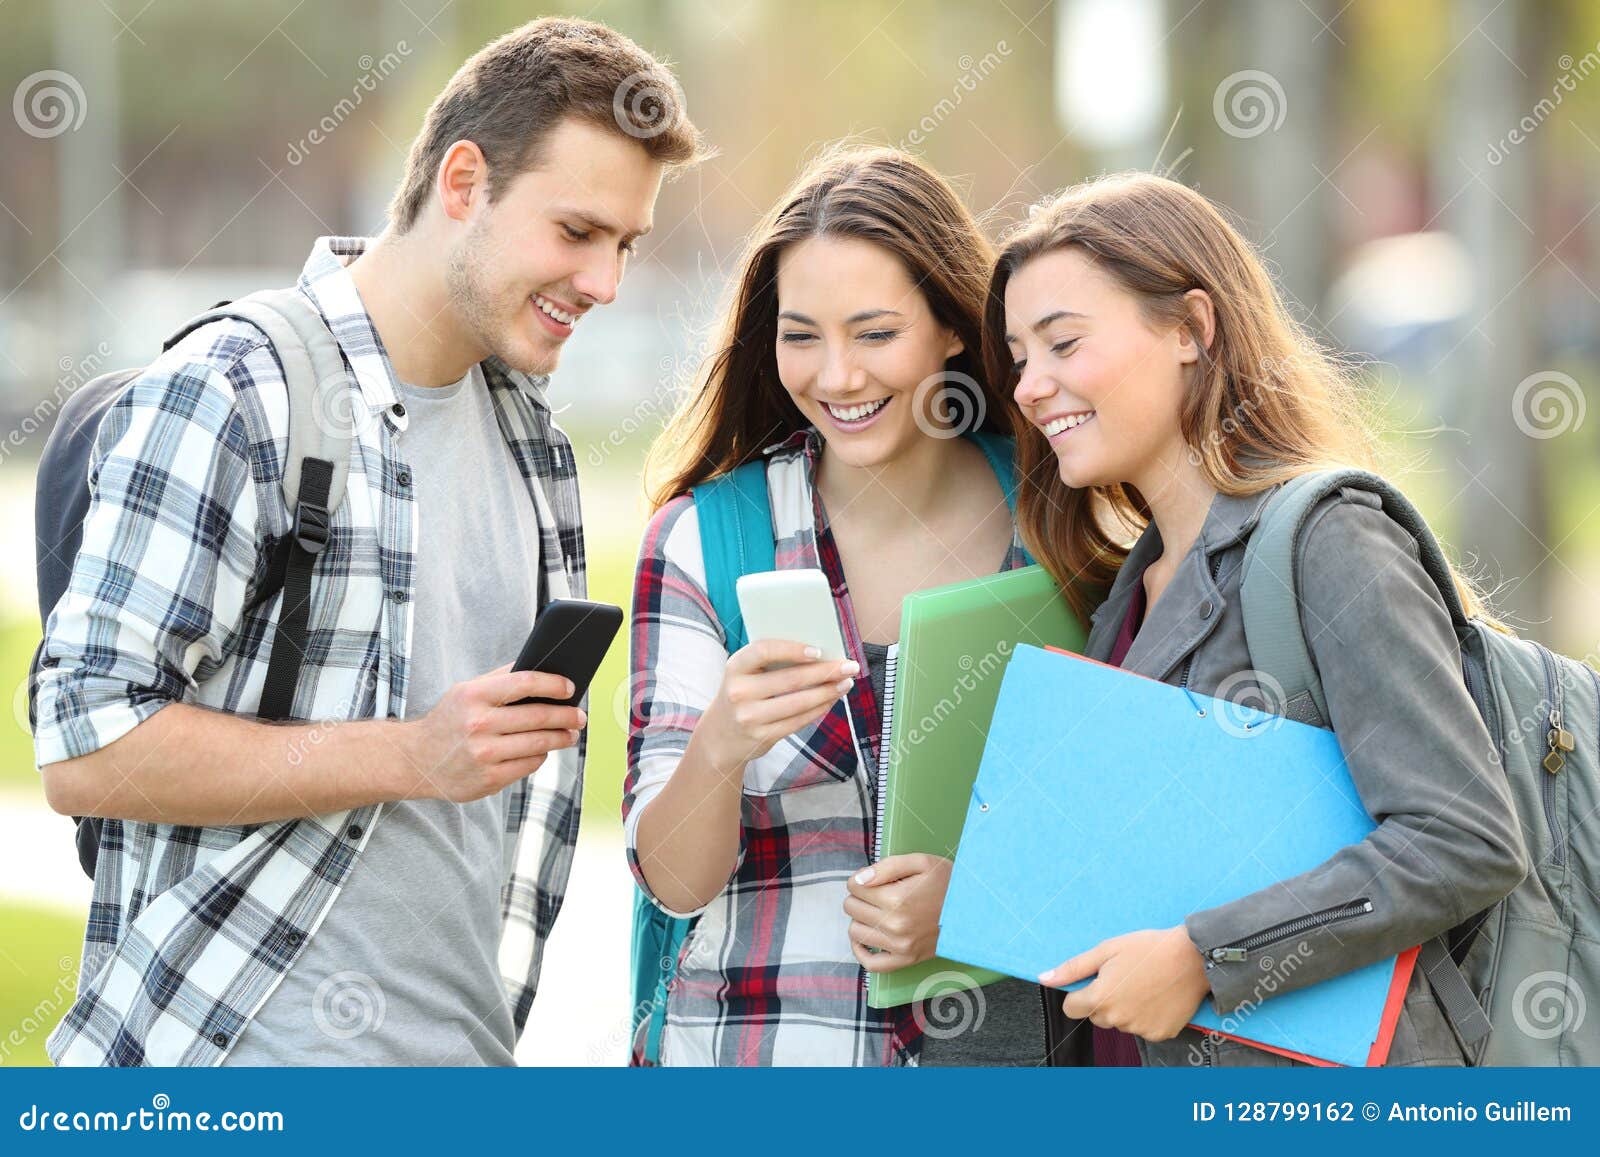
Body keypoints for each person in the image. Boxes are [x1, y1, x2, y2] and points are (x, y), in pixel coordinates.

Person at [34, 16, 705, 1066]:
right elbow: (84, 740)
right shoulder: (238, 387)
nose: (606, 282)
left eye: (626, 244)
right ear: (463, 180)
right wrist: (413, 753)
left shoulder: (537, 446)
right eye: (577, 231)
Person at [992, 172, 1528, 1067]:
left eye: (1063, 344)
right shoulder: (1123, 590)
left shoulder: (1330, 541)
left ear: (1192, 330)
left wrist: (1209, 958)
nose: (1029, 387)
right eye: (1017, 358)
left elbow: (1463, 838)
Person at [625, 145, 1071, 1066]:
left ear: (953, 327)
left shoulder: (1065, 522)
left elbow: (1132, 821)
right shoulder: (704, 541)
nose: (837, 377)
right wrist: (720, 744)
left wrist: (981, 895)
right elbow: (673, 882)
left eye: (875, 334)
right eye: (801, 336)